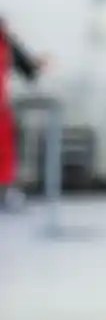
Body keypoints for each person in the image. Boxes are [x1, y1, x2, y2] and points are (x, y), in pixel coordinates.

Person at [0, 17, 44, 210]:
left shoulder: (7, 41)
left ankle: (6, 191)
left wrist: (38, 65)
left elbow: (28, 69)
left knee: (6, 152)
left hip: (1, 108)